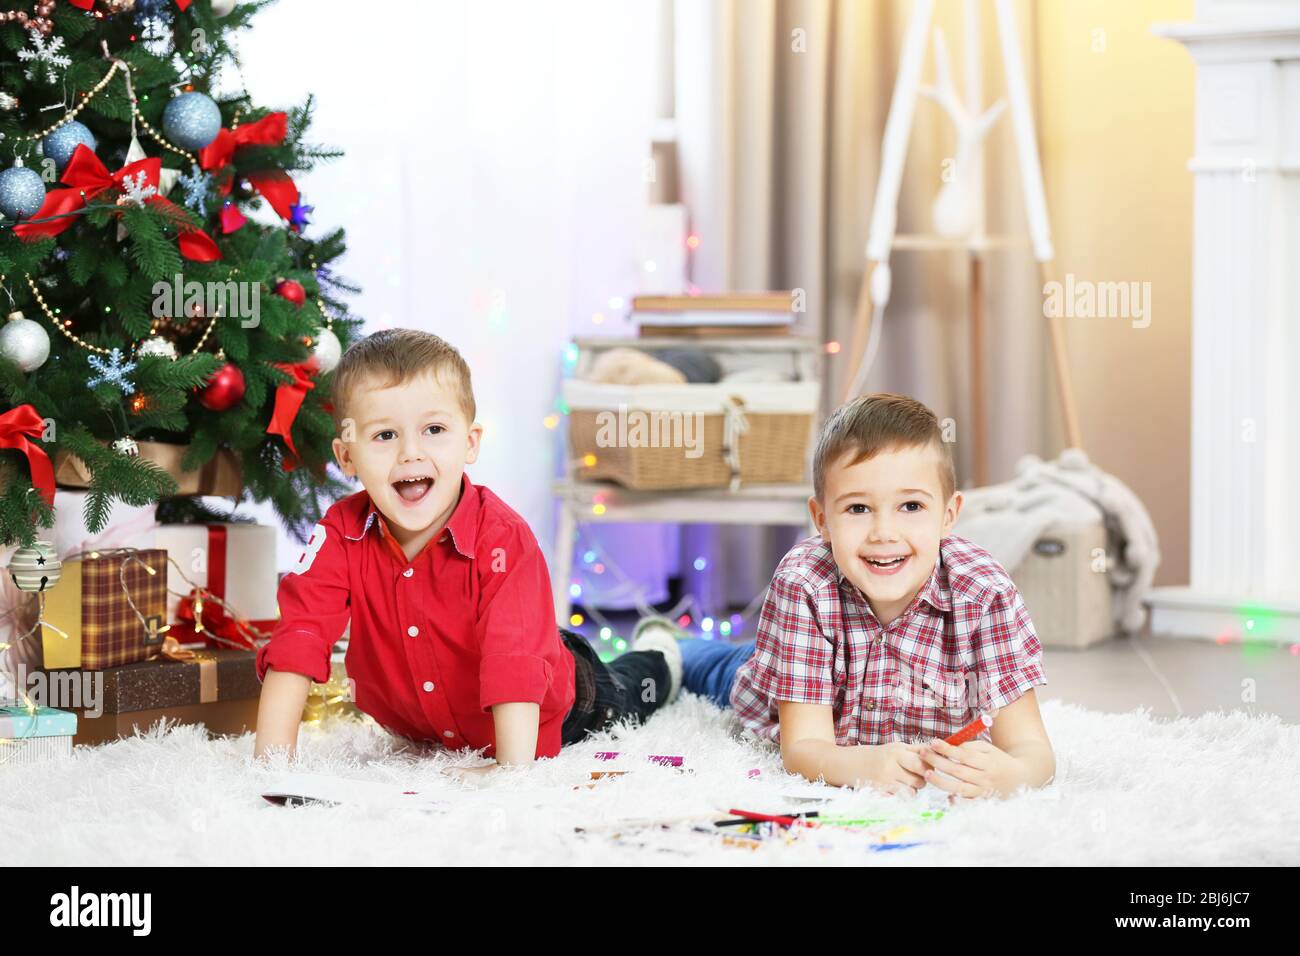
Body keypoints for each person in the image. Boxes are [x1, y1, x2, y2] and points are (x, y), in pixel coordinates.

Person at [253, 328, 682, 777]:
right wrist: (270, 765)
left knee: (630, 688)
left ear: (470, 442)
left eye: (434, 430)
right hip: (428, 719)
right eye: (384, 436)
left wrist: (507, 770)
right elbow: (297, 640)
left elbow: (515, 661)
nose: (410, 453)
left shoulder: (502, 538)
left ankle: (662, 654)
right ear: (346, 456)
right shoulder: (341, 534)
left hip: (566, 699)